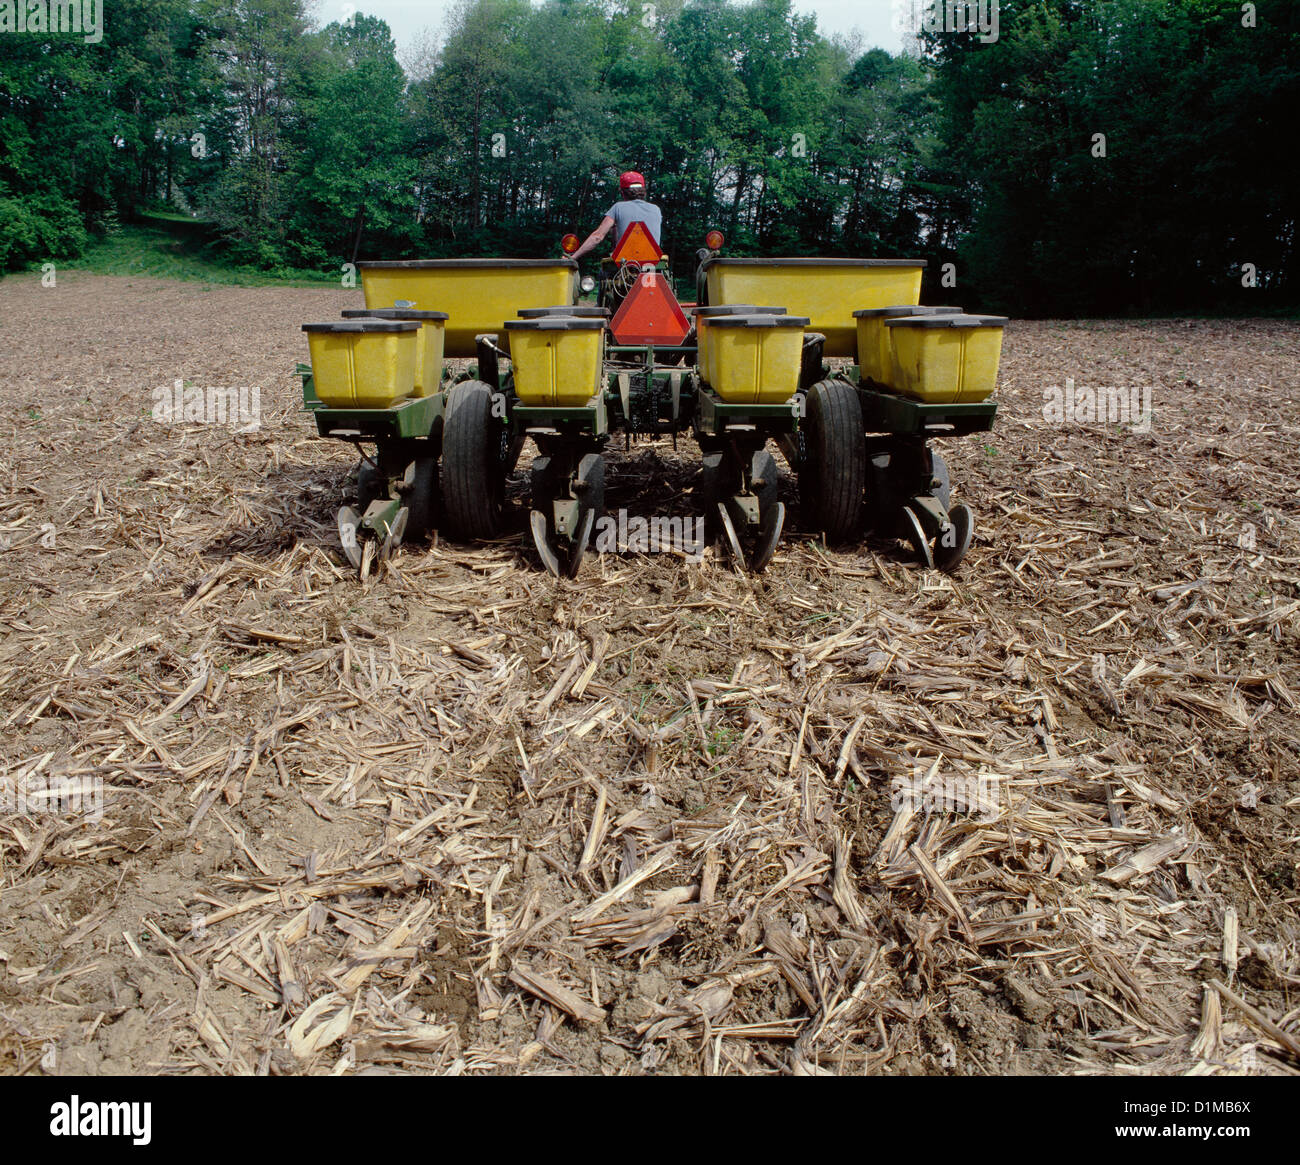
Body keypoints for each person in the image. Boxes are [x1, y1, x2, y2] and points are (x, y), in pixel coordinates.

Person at [568, 171, 664, 262]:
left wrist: (573, 257)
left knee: (604, 273)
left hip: (626, 265)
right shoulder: (656, 209)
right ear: (643, 191)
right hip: (653, 265)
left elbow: (597, 237)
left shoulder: (617, 208)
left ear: (622, 192)